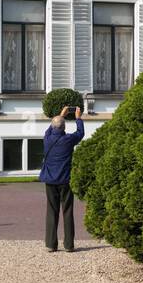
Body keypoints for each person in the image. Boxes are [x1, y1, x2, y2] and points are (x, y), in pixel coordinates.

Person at [39, 105, 85, 252]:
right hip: (65, 180)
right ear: (64, 127)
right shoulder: (68, 139)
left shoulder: (47, 139)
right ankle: (69, 245)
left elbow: (51, 128)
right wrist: (78, 117)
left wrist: (61, 115)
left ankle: (51, 244)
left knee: (51, 211)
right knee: (67, 211)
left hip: (50, 180)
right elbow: (80, 133)